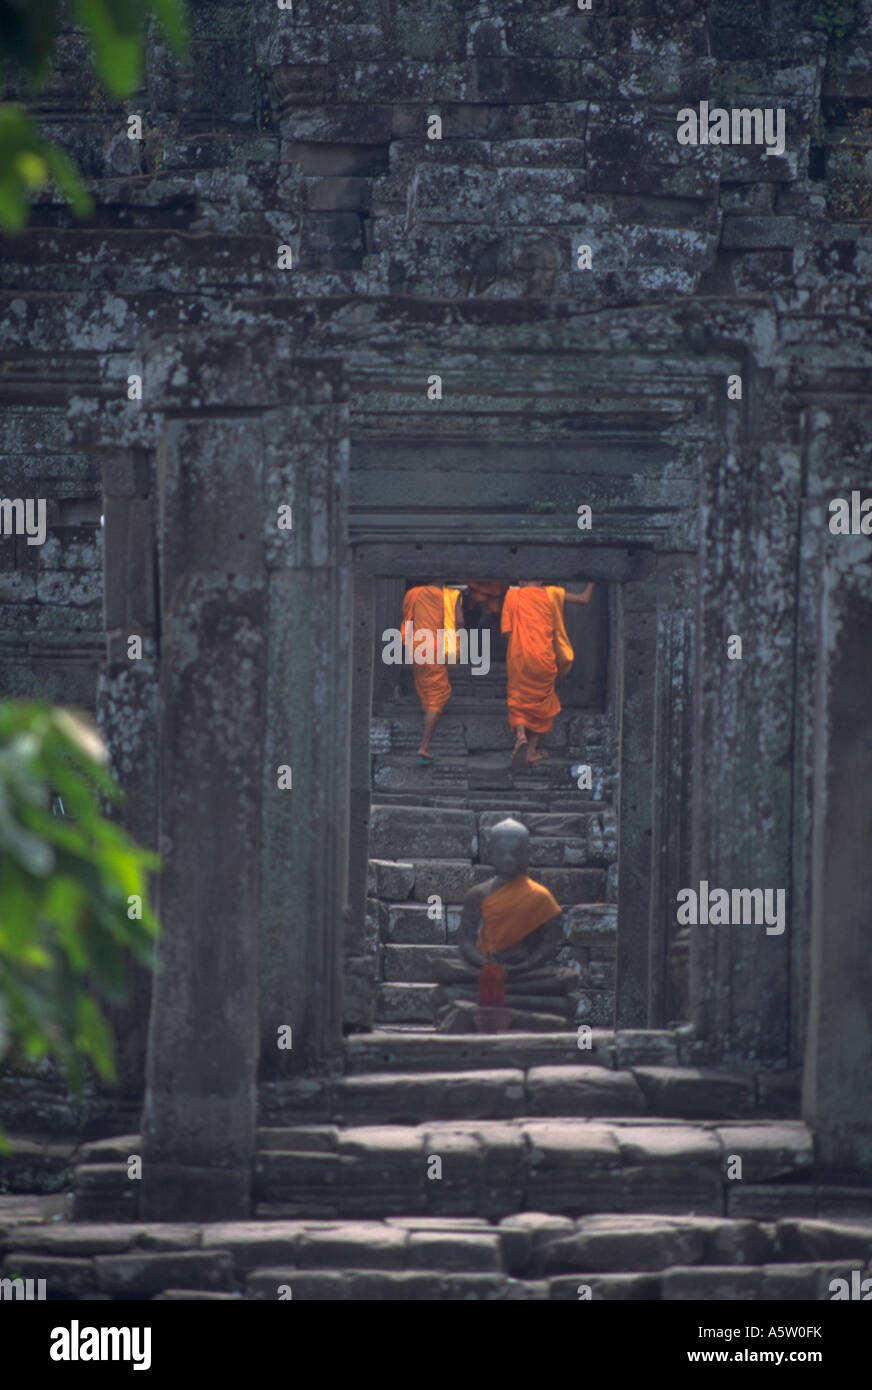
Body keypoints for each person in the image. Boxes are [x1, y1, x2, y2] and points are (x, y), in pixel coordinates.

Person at [433, 818, 578, 1032]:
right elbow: (465, 940)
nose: (509, 859)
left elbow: (549, 943)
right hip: (485, 969)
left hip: (527, 973)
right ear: (491, 853)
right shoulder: (478, 894)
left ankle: (474, 1009)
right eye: (502, 853)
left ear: (528, 854)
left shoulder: (541, 896)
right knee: (444, 971)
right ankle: (535, 1015)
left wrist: (525, 966)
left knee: (566, 978)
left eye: (516, 853)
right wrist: (483, 963)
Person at [501, 580, 594, 770]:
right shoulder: (552, 593)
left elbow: (507, 633)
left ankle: (520, 735)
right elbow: (584, 598)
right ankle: (531, 751)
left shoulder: (513, 596)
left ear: (520, 580)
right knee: (543, 702)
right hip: (543, 657)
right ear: (542, 579)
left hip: (519, 656)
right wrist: (592, 579)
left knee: (518, 698)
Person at [401, 582, 464, 762]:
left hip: (417, 645)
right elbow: (459, 621)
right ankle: (424, 745)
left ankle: (428, 718)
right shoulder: (451, 595)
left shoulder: (414, 593)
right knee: (439, 694)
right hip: (436, 646)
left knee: (425, 687)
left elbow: (408, 617)